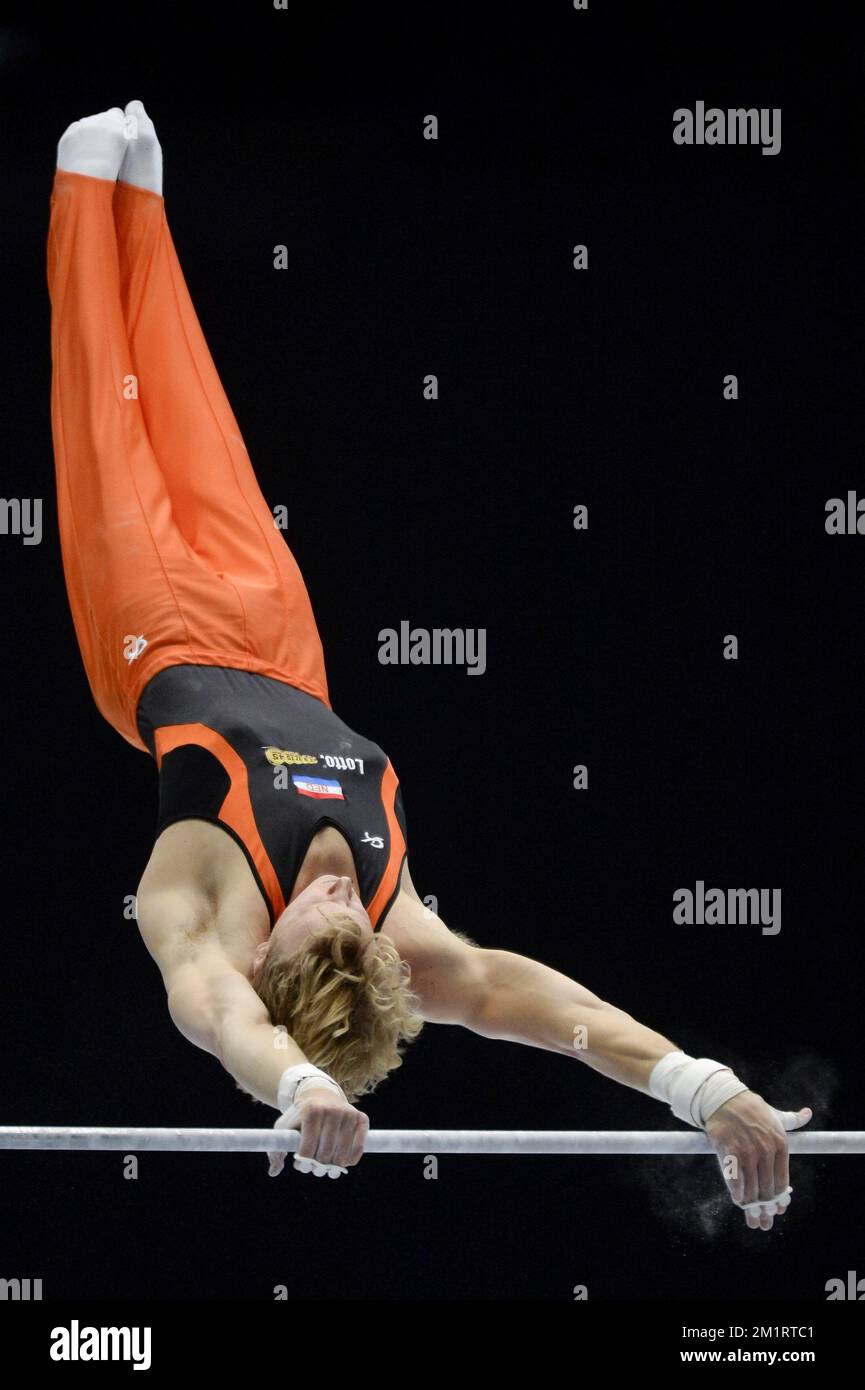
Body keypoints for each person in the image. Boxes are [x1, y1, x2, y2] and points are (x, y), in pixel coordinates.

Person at [47, 104, 811, 1227]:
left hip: (155, 637)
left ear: (271, 956)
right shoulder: (392, 927)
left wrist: (297, 1084)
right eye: (358, 918)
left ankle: (80, 194)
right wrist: (700, 1084)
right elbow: (534, 1002)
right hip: (286, 642)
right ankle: (146, 207)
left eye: (321, 921)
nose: (339, 897)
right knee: (200, 414)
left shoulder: (207, 913)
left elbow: (218, 1017)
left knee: (106, 418)